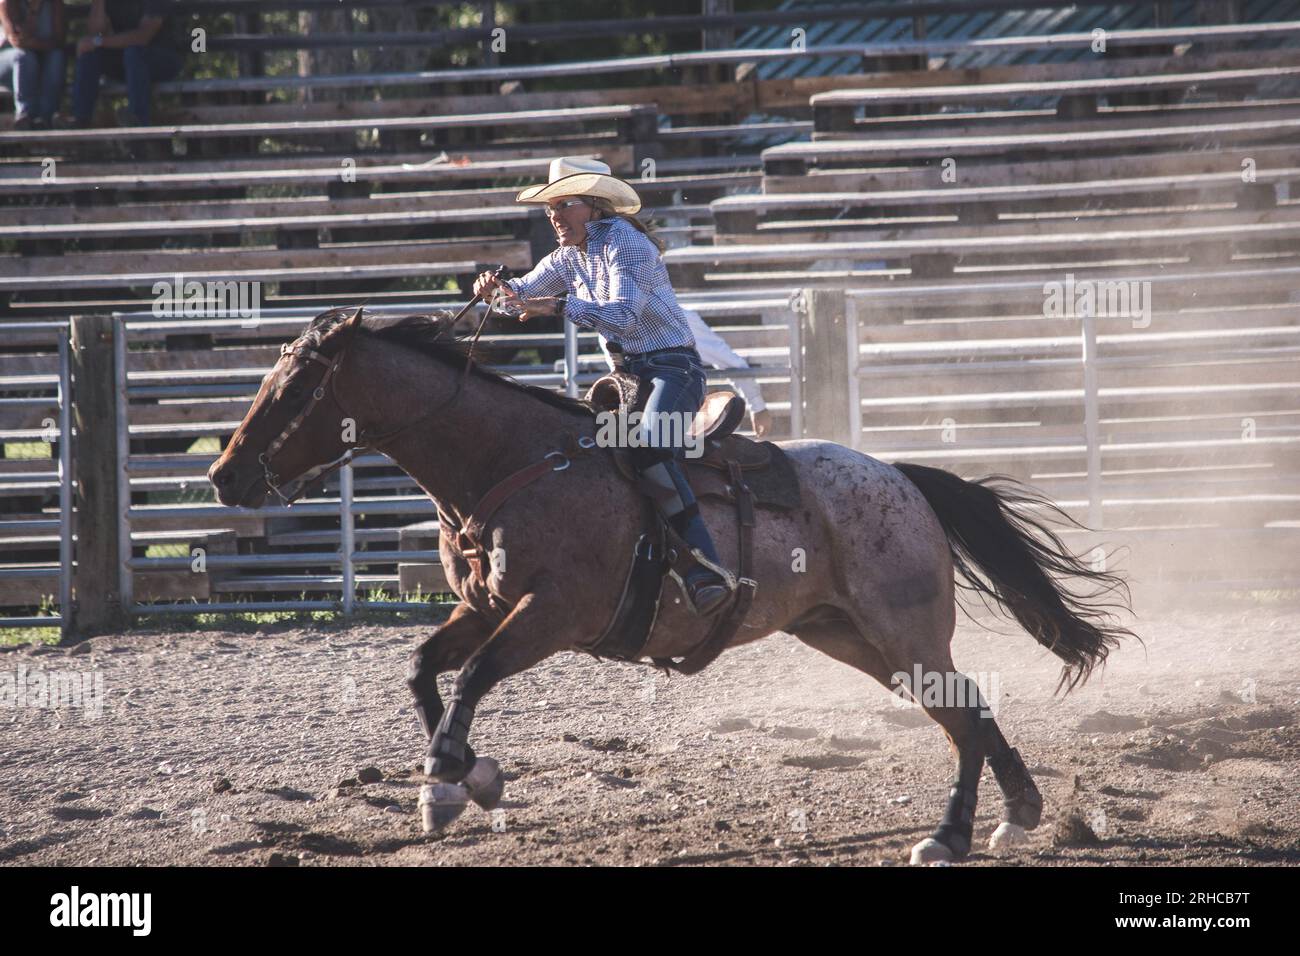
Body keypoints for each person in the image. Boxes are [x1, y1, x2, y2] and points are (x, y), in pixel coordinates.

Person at [472, 156, 733, 617]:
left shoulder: (624, 243)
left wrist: (551, 305)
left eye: (564, 204)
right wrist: (498, 293)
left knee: (651, 446)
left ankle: (703, 566)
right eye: (549, 207)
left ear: (594, 206)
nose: (554, 215)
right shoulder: (569, 256)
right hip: (629, 377)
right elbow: (520, 299)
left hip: (673, 371)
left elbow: (622, 315)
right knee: (590, 455)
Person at [68, 0, 182, 127]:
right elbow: (95, 31)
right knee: (90, 55)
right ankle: (81, 120)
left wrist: (98, 42)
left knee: (134, 53)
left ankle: (138, 120)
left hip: (163, 61)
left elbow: (142, 37)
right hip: (129, 62)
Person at [0, 0, 65, 129]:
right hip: (9, 63)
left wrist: (31, 43)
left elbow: (58, 41)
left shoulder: (55, 4)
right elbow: (17, 41)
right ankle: (25, 114)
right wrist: (33, 12)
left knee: (56, 56)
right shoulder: (7, 3)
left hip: (43, 60)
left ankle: (47, 117)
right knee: (24, 56)